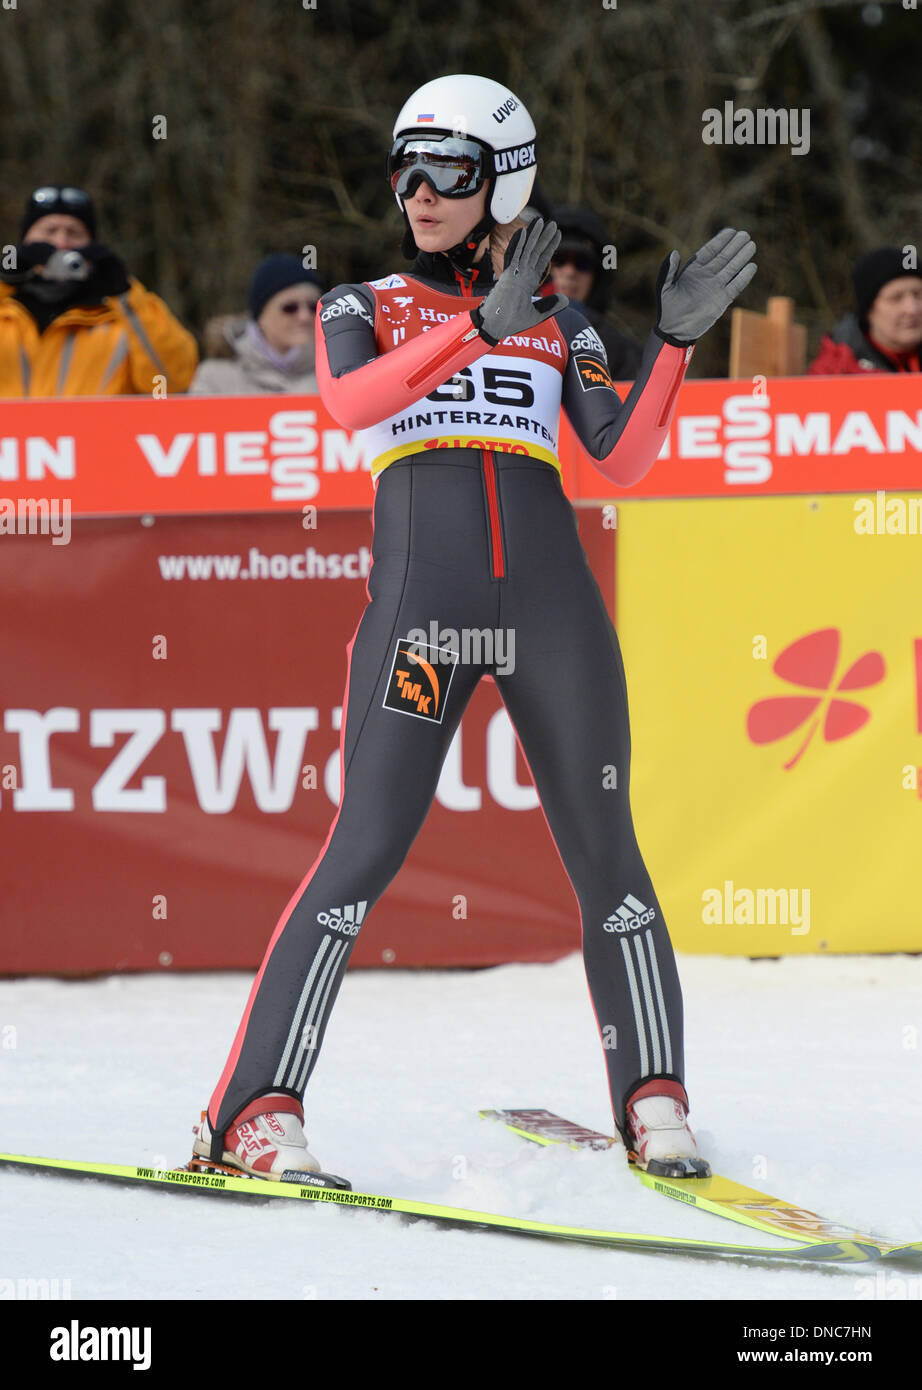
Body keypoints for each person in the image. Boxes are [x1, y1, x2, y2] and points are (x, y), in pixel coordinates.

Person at [192, 75, 756, 1185]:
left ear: (504, 179)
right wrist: (466, 333)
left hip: (552, 614)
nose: (416, 192)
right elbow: (351, 406)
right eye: (403, 168)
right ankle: (251, 1109)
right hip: (423, 617)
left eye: (444, 169)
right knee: (361, 853)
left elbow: (623, 459)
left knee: (610, 859)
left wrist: (676, 346)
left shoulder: (564, 321)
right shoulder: (362, 303)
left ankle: (654, 1094)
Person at [0, 184, 198, 396]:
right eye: (49, 232)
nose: (61, 243)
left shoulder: (123, 319)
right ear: (26, 241)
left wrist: (124, 293)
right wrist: (7, 277)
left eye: (74, 233)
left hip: (93, 430)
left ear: (91, 245)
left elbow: (173, 383)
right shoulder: (6, 313)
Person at [189, 254, 323, 394]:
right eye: (289, 308)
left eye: (313, 307)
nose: (304, 316)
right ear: (261, 316)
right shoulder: (215, 378)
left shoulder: (338, 374)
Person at [548, 204, 642, 379]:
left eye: (582, 264)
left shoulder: (622, 352)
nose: (570, 272)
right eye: (558, 260)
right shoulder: (503, 333)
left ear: (597, 277)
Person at [807, 247, 922, 374]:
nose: (912, 309)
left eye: (918, 295)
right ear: (869, 310)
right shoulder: (833, 373)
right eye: (896, 298)